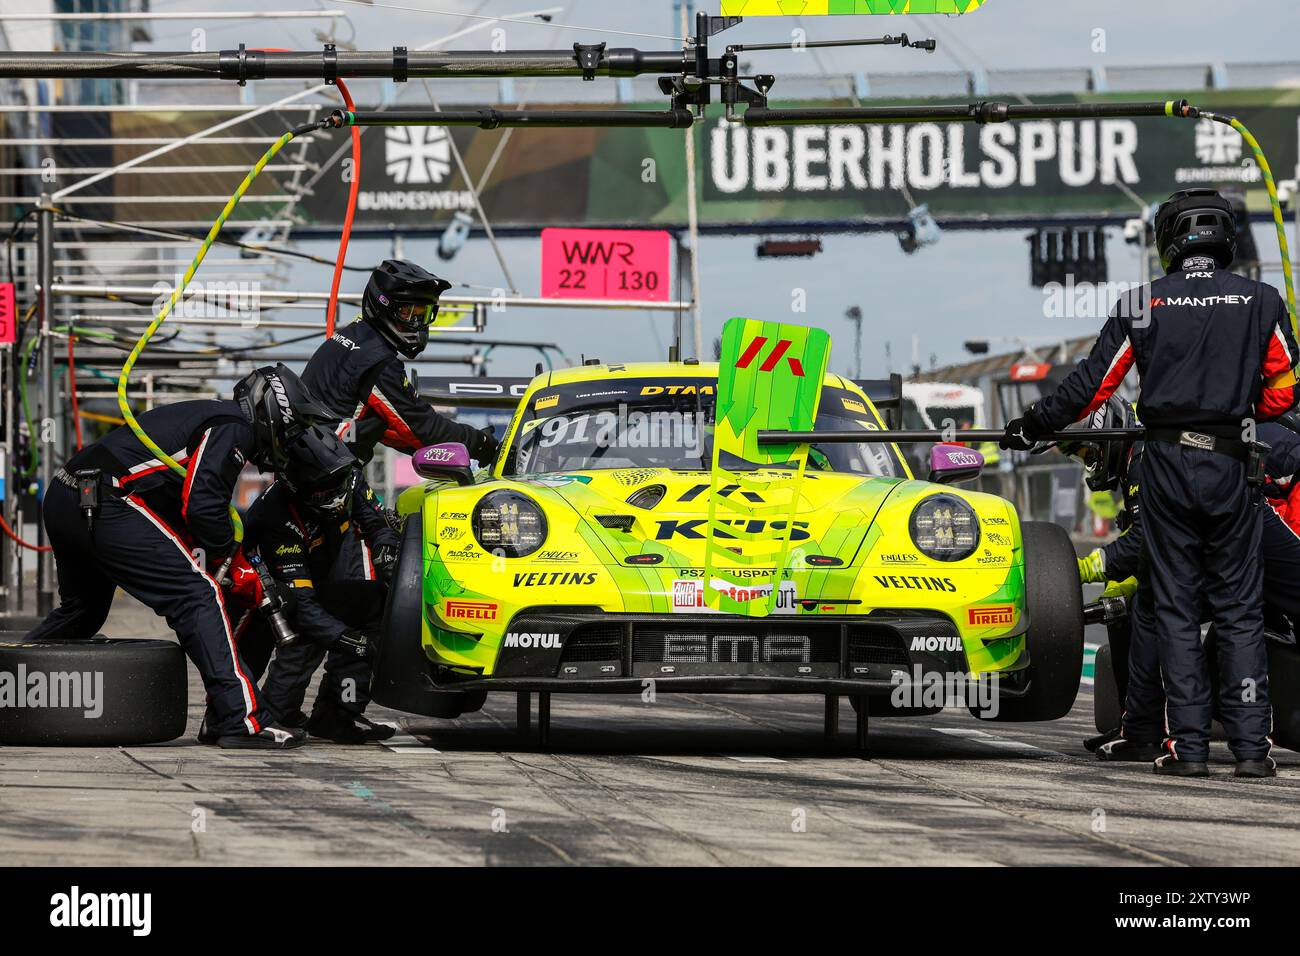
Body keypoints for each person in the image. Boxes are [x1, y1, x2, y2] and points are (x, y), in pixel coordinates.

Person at [1003, 187, 1299, 778]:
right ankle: (1251, 753)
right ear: (1226, 239)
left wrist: (1029, 425)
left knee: (1175, 610)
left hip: (1164, 465)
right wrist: (1235, 411)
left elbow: (1090, 387)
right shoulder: (1262, 300)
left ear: (1168, 242)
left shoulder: (1144, 302)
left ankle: (1187, 753)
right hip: (1234, 466)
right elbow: (1286, 389)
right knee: (1240, 613)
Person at [25, 365, 332, 750]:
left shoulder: (209, 419)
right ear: (274, 410)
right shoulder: (233, 425)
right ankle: (241, 719)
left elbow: (180, 511)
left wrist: (228, 560)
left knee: (81, 612)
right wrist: (234, 565)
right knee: (197, 596)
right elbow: (203, 507)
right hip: (105, 498)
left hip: (67, 495)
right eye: (293, 428)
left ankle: (12, 691)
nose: (291, 441)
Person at [235, 424, 400, 743]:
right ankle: (272, 712)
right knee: (303, 633)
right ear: (297, 487)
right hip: (260, 595)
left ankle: (337, 715)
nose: (337, 497)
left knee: (374, 603)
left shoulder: (348, 475)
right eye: (325, 491)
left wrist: (385, 550)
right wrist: (356, 644)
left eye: (338, 484)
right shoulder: (275, 516)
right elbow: (305, 611)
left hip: (317, 580)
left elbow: (378, 525)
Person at [302, 259, 498, 468]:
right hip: (324, 475)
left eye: (424, 315)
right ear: (383, 305)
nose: (416, 325)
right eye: (408, 313)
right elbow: (423, 428)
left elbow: (391, 428)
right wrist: (480, 443)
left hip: (308, 463)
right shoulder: (378, 362)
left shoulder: (354, 337)